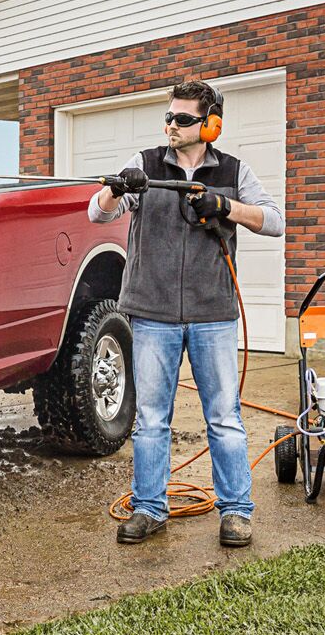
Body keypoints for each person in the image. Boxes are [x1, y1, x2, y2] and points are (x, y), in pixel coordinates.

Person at [89, 79, 284, 548]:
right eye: (169, 117)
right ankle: (149, 508)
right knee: (152, 419)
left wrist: (227, 206)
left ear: (210, 124)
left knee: (224, 417)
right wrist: (117, 190)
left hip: (212, 314)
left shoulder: (234, 170)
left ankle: (236, 511)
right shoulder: (145, 164)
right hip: (151, 312)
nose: (171, 126)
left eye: (183, 119)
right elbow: (97, 213)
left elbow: (275, 220)